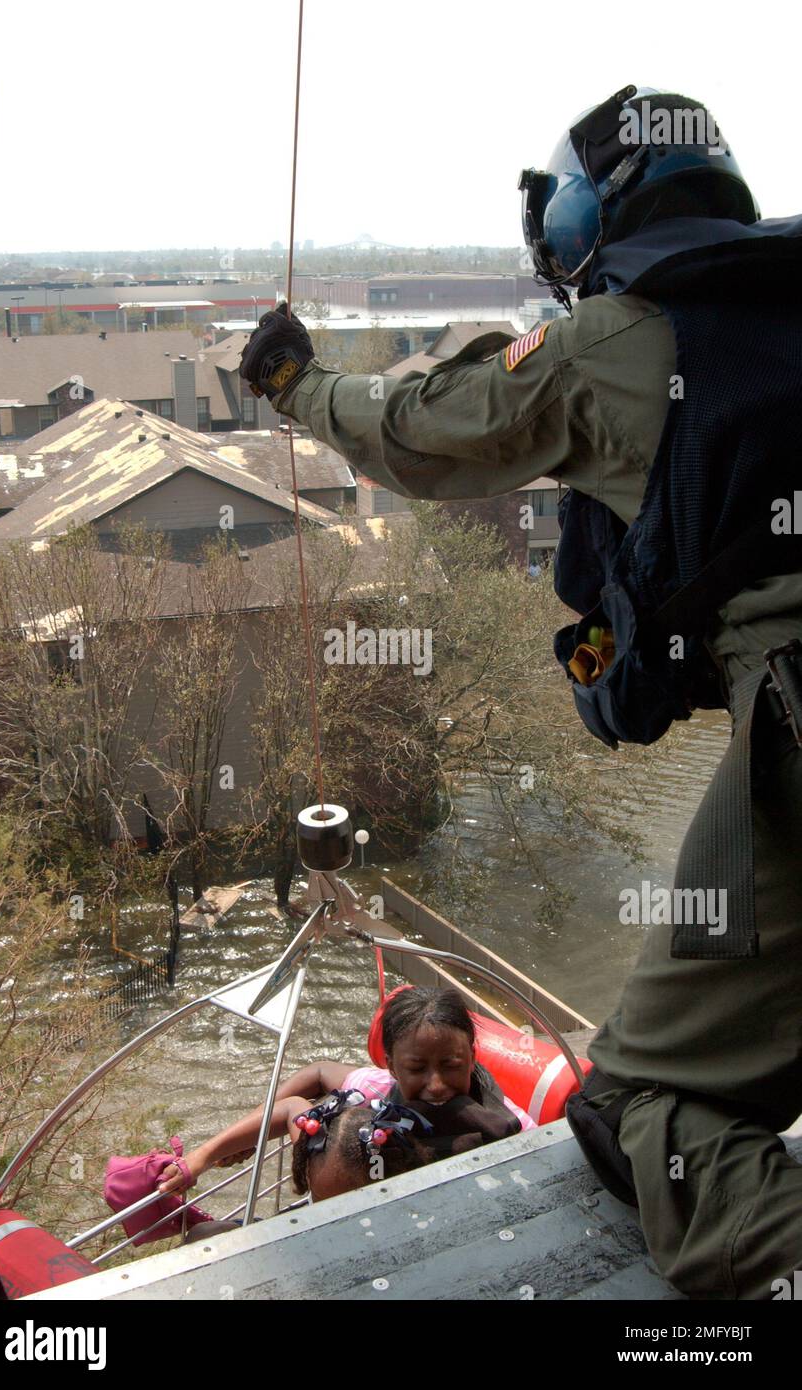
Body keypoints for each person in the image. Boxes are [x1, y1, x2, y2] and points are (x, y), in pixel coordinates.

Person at [239, 87, 802, 1299]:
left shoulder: (615, 337)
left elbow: (426, 431)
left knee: (638, 1100)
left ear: (587, 219)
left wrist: (294, 384)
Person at [159, 987, 532, 1199]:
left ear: (472, 1057)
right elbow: (317, 1073)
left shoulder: (513, 1129)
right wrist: (207, 1154)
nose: (436, 1085)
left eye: (451, 1064)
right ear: (391, 1065)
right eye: (417, 1069)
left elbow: (294, 1108)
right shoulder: (379, 1089)